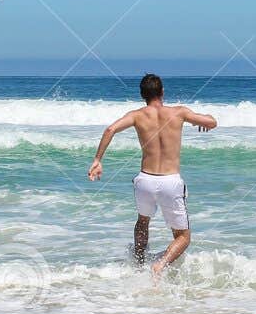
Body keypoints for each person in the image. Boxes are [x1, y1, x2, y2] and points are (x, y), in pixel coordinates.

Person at [87, 74, 217, 276]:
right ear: (163, 92)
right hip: (170, 182)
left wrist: (97, 160)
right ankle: (160, 265)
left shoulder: (137, 115)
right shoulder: (179, 112)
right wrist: (204, 120)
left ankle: (138, 265)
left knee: (142, 221)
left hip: (145, 180)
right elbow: (212, 122)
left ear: (142, 95)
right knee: (183, 236)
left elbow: (110, 129)